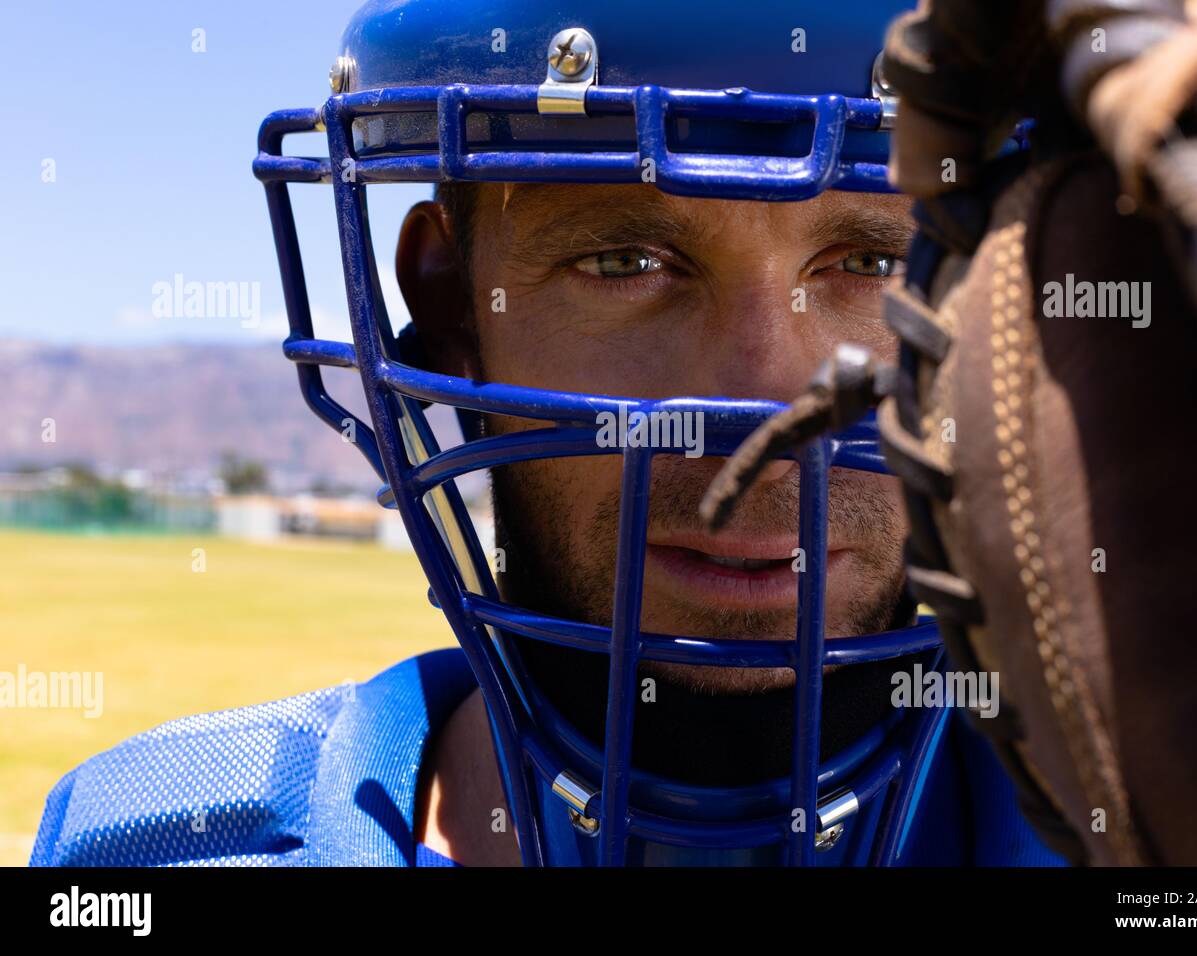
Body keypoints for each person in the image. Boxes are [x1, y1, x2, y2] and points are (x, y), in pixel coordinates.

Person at [31, 0, 1063, 867]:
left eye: (874, 264)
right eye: (623, 263)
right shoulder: (158, 848)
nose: (762, 412)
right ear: (448, 308)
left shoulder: (1177, 839)